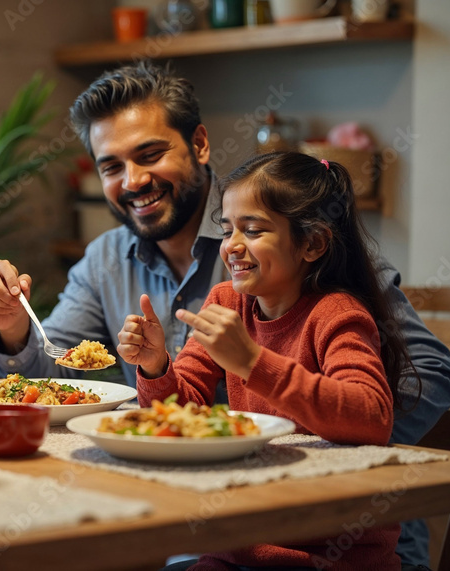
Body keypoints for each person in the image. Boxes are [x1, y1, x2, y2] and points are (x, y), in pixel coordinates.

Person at [0, 61, 450, 568]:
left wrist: (298, 454)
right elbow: (62, 376)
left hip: (336, 535)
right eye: (111, 166)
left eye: (150, 153)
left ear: (199, 144)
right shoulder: (115, 263)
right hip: (205, 530)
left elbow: (429, 376)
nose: (133, 180)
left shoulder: (312, 251)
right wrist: (13, 329)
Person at [121, 151, 401, 568]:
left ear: (312, 243)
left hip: (328, 553)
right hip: (240, 541)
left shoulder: (337, 314)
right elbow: (183, 414)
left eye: (252, 230)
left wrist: (253, 362)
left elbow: (371, 416)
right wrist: (157, 366)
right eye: (227, 228)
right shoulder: (227, 302)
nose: (231, 246)